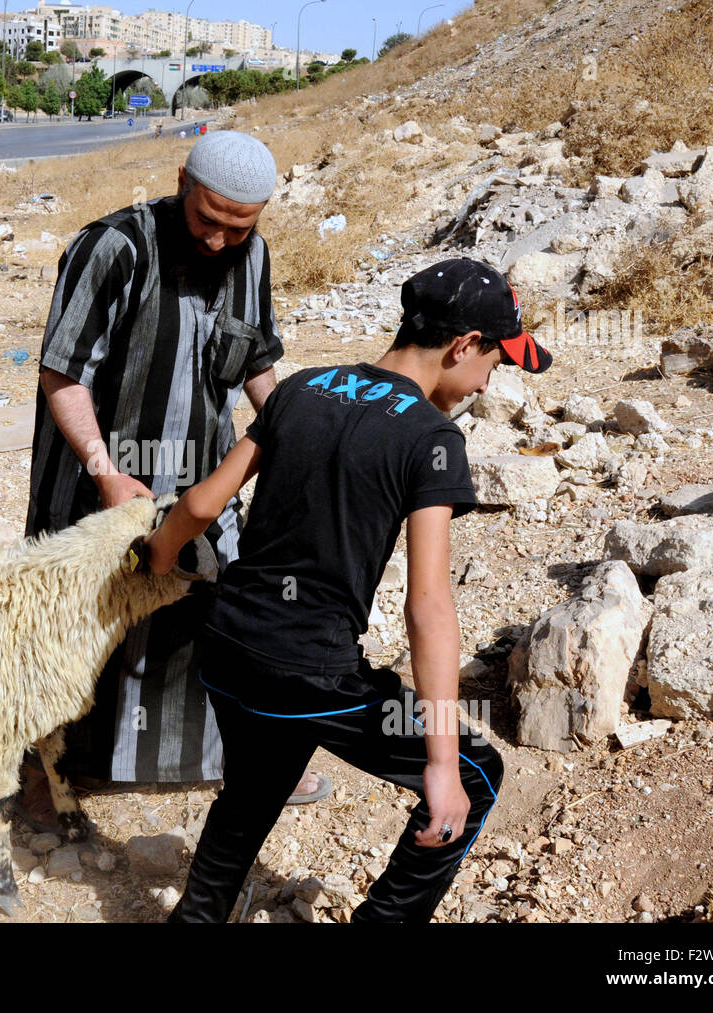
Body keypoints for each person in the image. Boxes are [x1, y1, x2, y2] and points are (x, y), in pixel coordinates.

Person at [147, 258, 552, 922]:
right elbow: (428, 605)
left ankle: (197, 915)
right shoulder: (431, 438)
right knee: (478, 779)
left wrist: (159, 557)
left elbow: (201, 501)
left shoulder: (301, 388)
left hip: (224, 646)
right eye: (495, 364)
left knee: (256, 781)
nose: (485, 383)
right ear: (464, 345)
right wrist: (441, 765)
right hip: (308, 669)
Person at [22, 129, 329, 825]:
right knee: (76, 622)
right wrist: (104, 471)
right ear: (181, 184)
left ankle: (242, 756)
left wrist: (289, 436)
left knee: (221, 611)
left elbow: (255, 360)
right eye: (207, 220)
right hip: (96, 479)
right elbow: (61, 373)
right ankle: (47, 769)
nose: (220, 240)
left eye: (238, 227)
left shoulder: (252, 259)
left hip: (199, 479)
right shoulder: (114, 247)